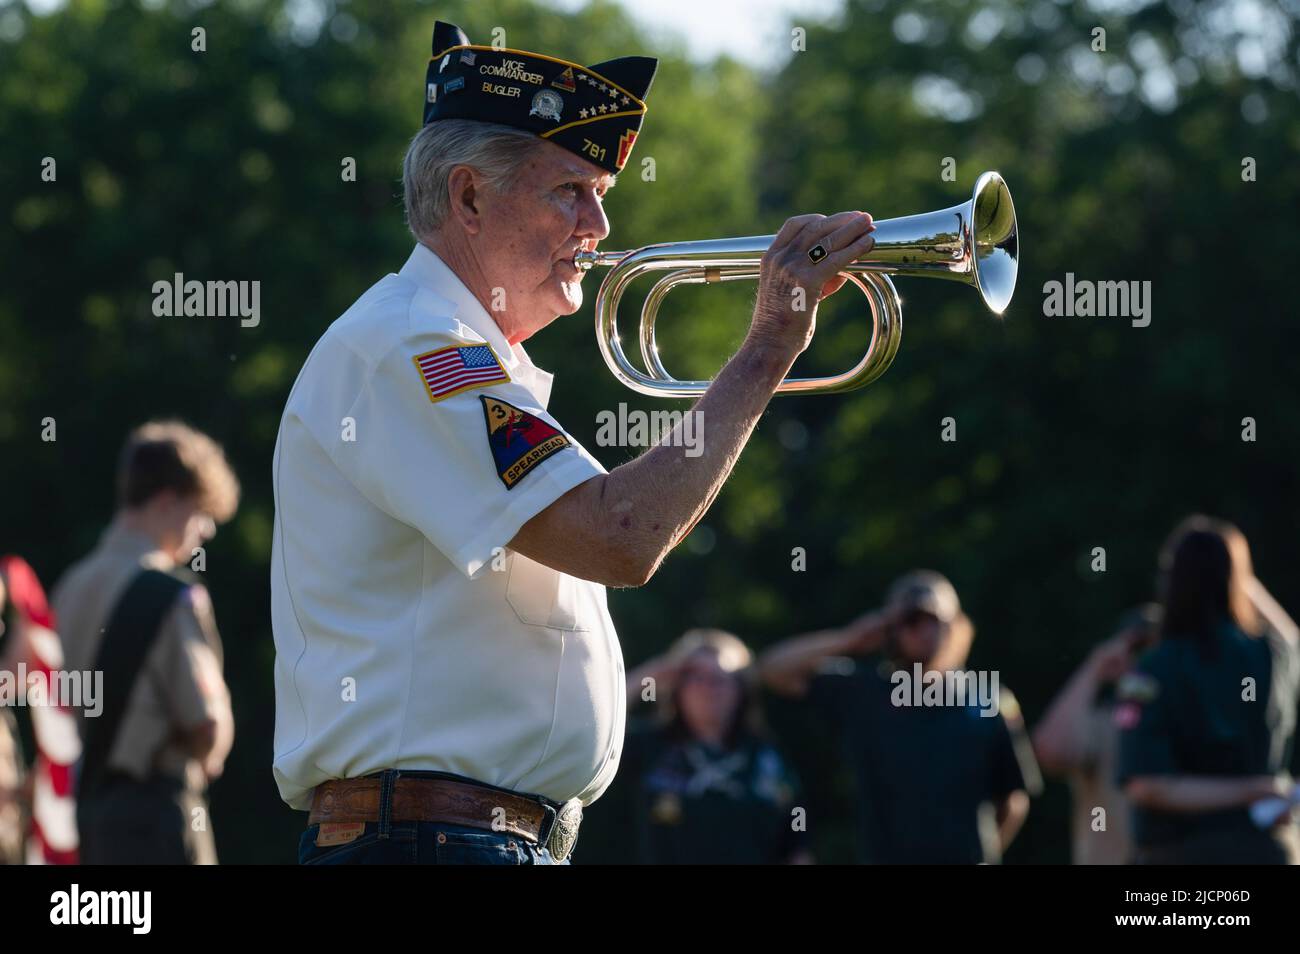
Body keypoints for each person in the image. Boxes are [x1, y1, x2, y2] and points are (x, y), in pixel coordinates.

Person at [274, 18, 879, 866]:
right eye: (570, 189)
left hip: (469, 841)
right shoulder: (416, 347)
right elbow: (620, 534)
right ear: (470, 198)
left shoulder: (467, 355)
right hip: (430, 843)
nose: (599, 222)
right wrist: (770, 346)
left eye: (601, 192)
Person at [760, 570, 1041, 864]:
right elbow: (773, 670)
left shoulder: (989, 700)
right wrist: (849, 639)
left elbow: (1013, 800)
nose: (924, 631)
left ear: (956, 627)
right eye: (912, 621)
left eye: (936, 621)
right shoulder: (865, 692)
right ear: (890, 628)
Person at [53, 421, 238, 864]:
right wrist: (210, 754)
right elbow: (207, 725)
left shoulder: (67, 589)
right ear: (167, 501)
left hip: (83, 818)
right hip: (158, 820)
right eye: (200, 511)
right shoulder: (172, 597)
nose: (205, 530)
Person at [1117, 515, 1300, 864]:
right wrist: (1235, 574)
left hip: (1181, 855)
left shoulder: (1151, 671)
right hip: (1267, 851)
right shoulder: (1271, 656)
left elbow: (1146, 783)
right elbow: (1291, 638)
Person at [621, 630, 807, 864]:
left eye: (721, 678)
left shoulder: (766, 759)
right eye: (696, 677)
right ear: (677, 688)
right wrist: (648, 675)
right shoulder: (649, 747)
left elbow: (796, 844)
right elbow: (600, 728)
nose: (709, 689)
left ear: (741, 689)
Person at [1032, 604, 1160, 864]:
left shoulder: (1203, 721)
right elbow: (1050, 751)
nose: (1148, 659)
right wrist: (1095, 668)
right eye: (1138, 649)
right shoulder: (1103, 724)